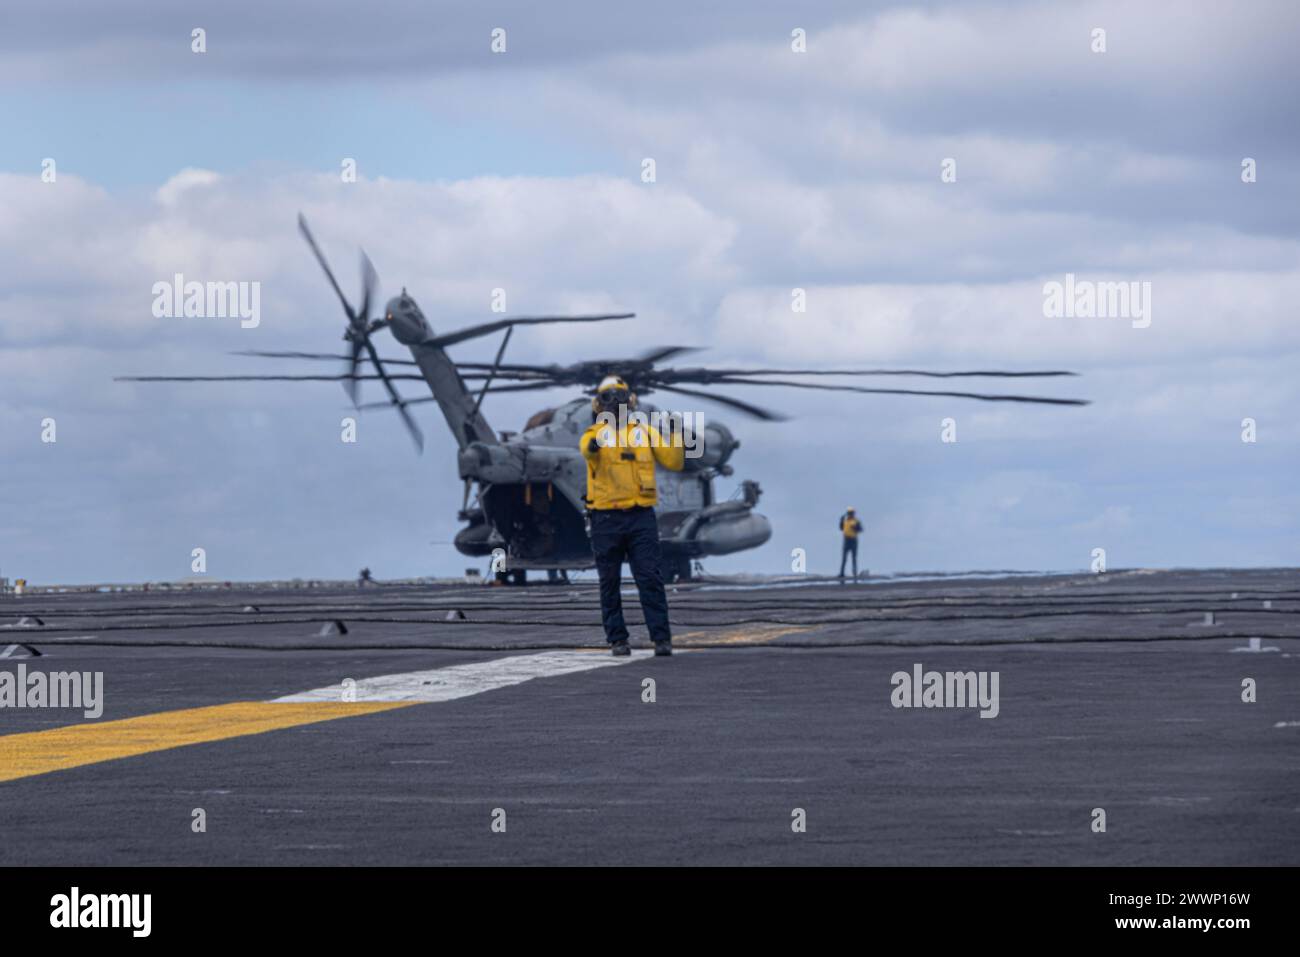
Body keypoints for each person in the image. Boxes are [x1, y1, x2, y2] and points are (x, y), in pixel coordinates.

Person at [580, 375, 684, 656]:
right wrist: (606, 427)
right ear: (598, 404)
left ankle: (661, 639)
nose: (615, 403)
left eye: (620, 397)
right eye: (608, 398)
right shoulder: (594, 434)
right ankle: (617, 639)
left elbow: (674, 461)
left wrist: (674, 432)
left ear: (632, 401)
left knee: (650, 576)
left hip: (640, 517)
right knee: (609, 581)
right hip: (605, 518)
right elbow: (588, 450)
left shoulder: (646, 432)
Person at [838, 507, 863, 581]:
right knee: (844, 558)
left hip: (853, 540)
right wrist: (841, 521)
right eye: (849, 513)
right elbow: (841, 528)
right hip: (846, 540)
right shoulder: (845, 521)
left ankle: (854, 573)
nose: (850, 514)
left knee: (854, 558)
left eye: (851, 513)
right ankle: (842, 573)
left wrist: (855, 528)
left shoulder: (856, 521)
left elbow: (860, 529)